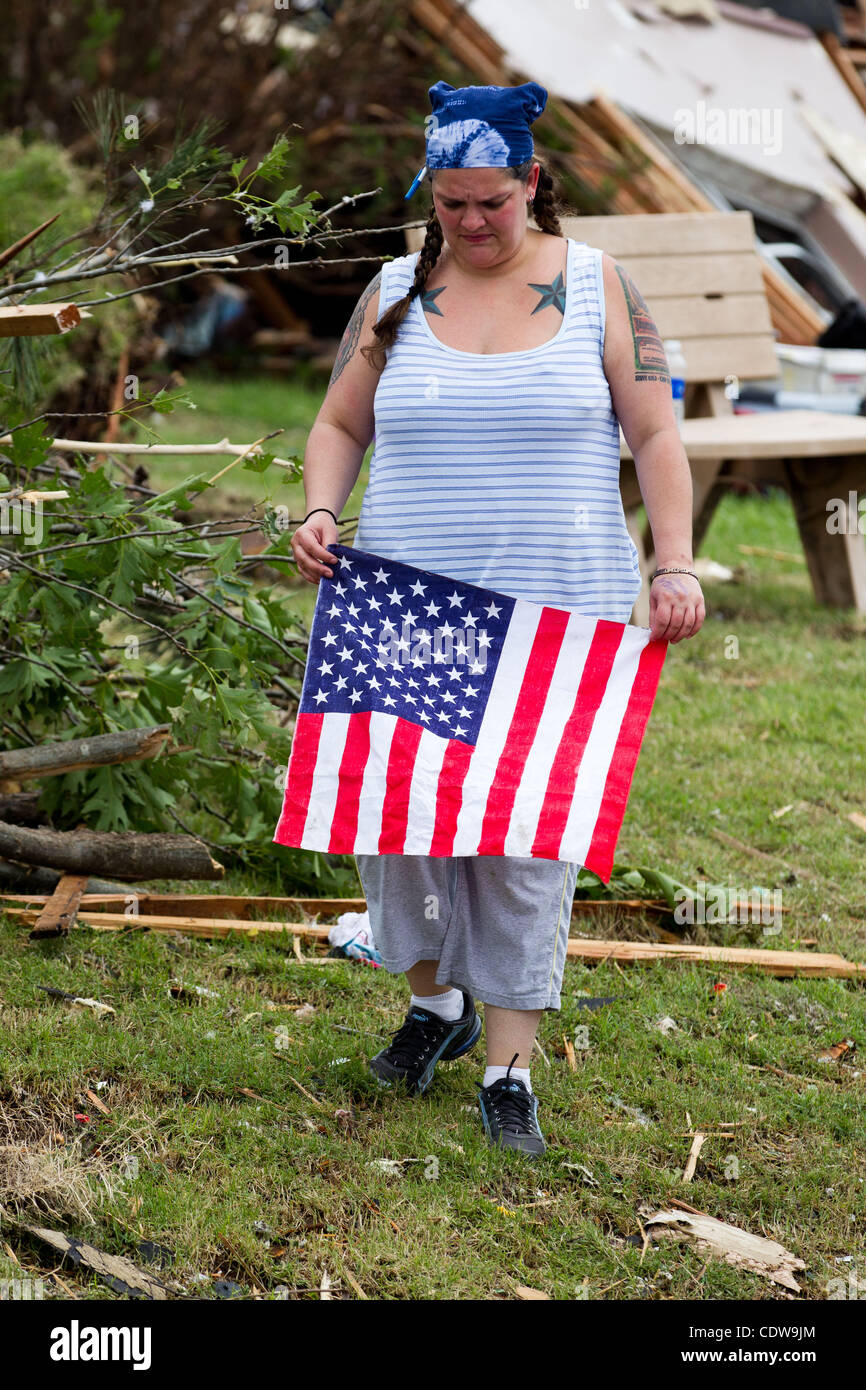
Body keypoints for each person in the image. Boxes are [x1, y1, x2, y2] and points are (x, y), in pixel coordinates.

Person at [290, 79, 705, 1157]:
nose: (472, 225)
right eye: (451, 204)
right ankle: (435, 1006)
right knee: (406, 827)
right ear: (430, 192)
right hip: (405, 607)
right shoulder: (391, 290)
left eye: (493, 203)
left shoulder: (599, 285)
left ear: (533, 182)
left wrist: (674, 561)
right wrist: (323, 508)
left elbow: (656, 436)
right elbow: (338, 422)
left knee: (527, 834)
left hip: (553, 620)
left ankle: (509, 1067)